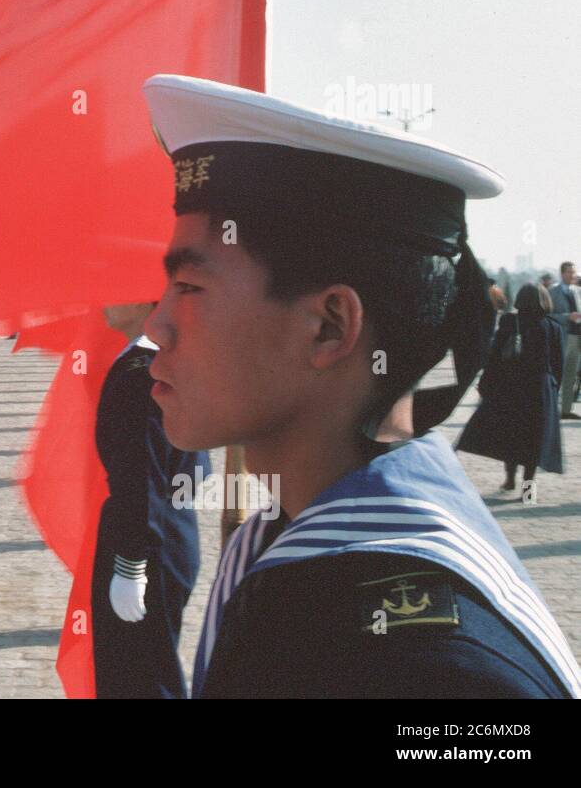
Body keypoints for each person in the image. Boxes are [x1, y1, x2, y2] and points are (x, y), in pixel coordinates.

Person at [139, 74, 579, 699]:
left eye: (188, 288)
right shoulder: (299, 538)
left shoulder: (424, 670)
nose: (156, 326)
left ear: (328, 326)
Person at [91, 303, 209, 698]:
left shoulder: (140, 373)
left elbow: (140, 480)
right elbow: (195, 471)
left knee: (137, 676)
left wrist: (130, 566)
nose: (103, 299)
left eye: (115, 286)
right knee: (146, 667)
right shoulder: (162, 361)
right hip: (169, 532)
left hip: (146, 544)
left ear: (147, 298)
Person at [457, 283, 564, 493]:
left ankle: (509, 480)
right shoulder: (553, 326)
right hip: (540, 389)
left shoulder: (510, 321)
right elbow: (558, 364)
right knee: (533, 440)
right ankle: (529, 491)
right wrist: (554, 389)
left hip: (510, 385)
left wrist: (486, 381)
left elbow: (494, 354)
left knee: (511, 434)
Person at [547, 262, 581, 418]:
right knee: (557, 373)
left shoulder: (578, 291)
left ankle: (566, 410)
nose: (572, 275)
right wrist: (567, 317)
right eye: (569, 272)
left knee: (571, 375)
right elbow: (548, 315)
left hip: (577, 337)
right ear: (562, 274)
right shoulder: (553, 292)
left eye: (573, 272)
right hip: (562, 337)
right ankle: (551, 409)